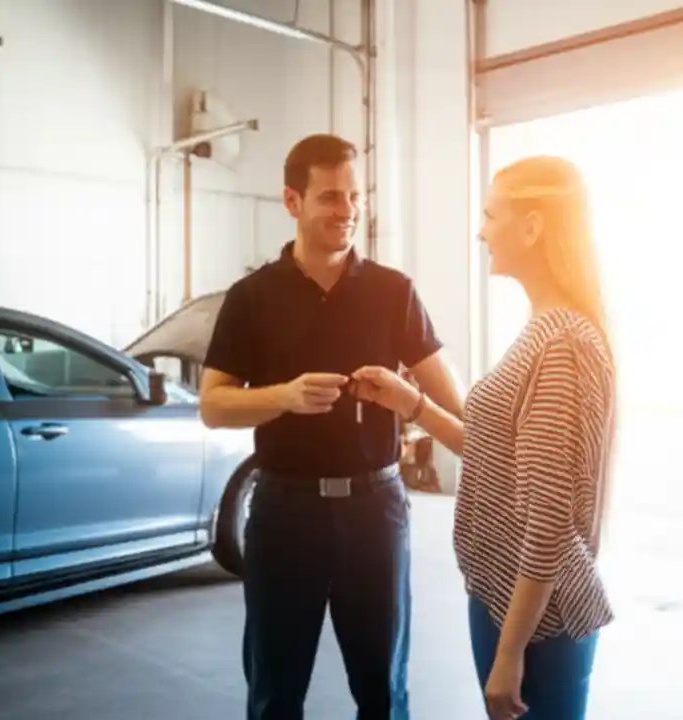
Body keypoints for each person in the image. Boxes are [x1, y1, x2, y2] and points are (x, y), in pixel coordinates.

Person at [199, 133, 463, 720]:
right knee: (275, 689)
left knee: (383, 691)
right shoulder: (251, 297)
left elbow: (457, 404)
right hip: (283, 513)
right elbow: (213, 405)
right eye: (330, 198)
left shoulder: (393, 292)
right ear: (292, 201)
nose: (347, 211)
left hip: (375, 510)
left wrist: (408, 399)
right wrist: (284, 397)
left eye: (354, 196)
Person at [353, 155, 616, 720]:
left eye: (491, 214)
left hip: (539, 626)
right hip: (504, 598)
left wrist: (511, 651)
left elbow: (548, 514)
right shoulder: (542, 330)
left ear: (533, 226)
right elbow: (497, 455)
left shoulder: (562, 345)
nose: (481, 230)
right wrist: (412, 403)